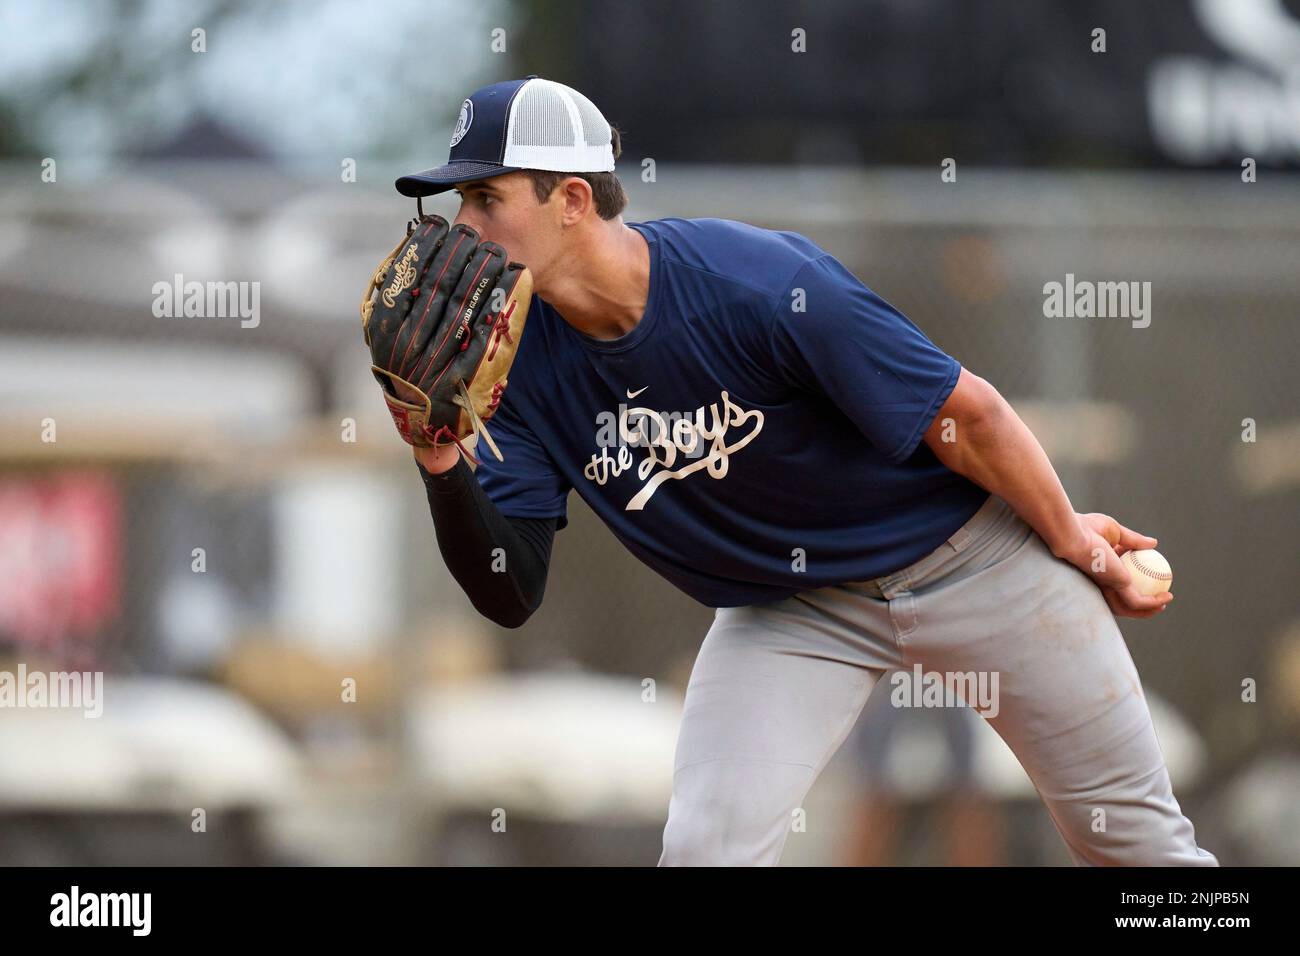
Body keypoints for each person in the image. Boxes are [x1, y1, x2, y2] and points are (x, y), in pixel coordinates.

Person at [395, 76, 1218, 866]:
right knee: (703, 854)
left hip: (972, 560)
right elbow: (509, 590)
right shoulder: (515, 371)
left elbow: (967, 415)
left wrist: (1070, 537)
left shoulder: (752, 283)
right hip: (790, 613)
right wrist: (440, 461)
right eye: (459, 200)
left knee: (1136, 849)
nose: (461, 226)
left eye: (486, 198)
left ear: (572, 199)